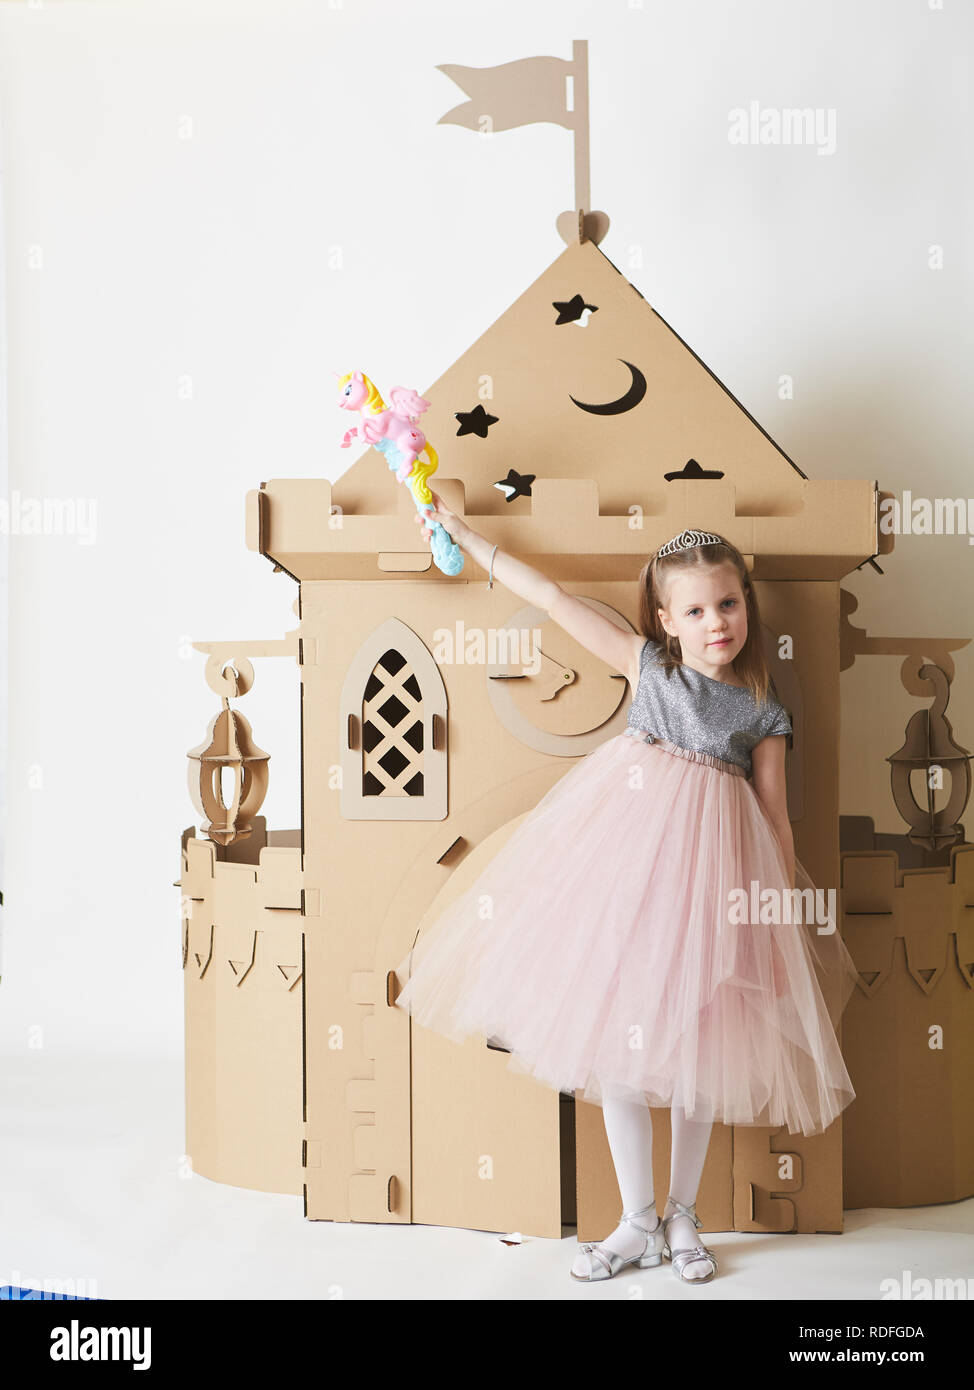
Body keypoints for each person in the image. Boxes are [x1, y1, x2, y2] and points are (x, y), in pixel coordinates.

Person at [393, 495, 859, 1285]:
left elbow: (776, 823)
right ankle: (635, 1220)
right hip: (625, 873)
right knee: (621, 1044)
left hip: (716, 890)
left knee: (702, 1046)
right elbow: (550, 599)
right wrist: (463, 534)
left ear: (746, 604)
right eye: (697, 610)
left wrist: (773, 921)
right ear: (667, 620)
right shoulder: (650, 665)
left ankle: (683, 1215)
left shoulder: (763, 712)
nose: (718, 622)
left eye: (730, 603)